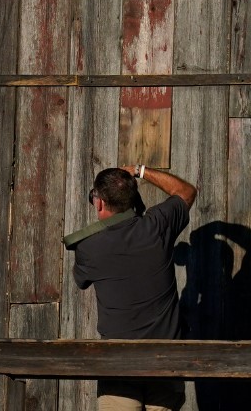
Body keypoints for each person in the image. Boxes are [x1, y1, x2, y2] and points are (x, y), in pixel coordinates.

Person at [64, 164, 197, 411]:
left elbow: (80, 280)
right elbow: (186, 191)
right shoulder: (157, 227)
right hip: (165, 361)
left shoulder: (88, 248)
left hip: (118, 363)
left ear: (100, 203)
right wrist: (140, 171)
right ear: (133, 198)